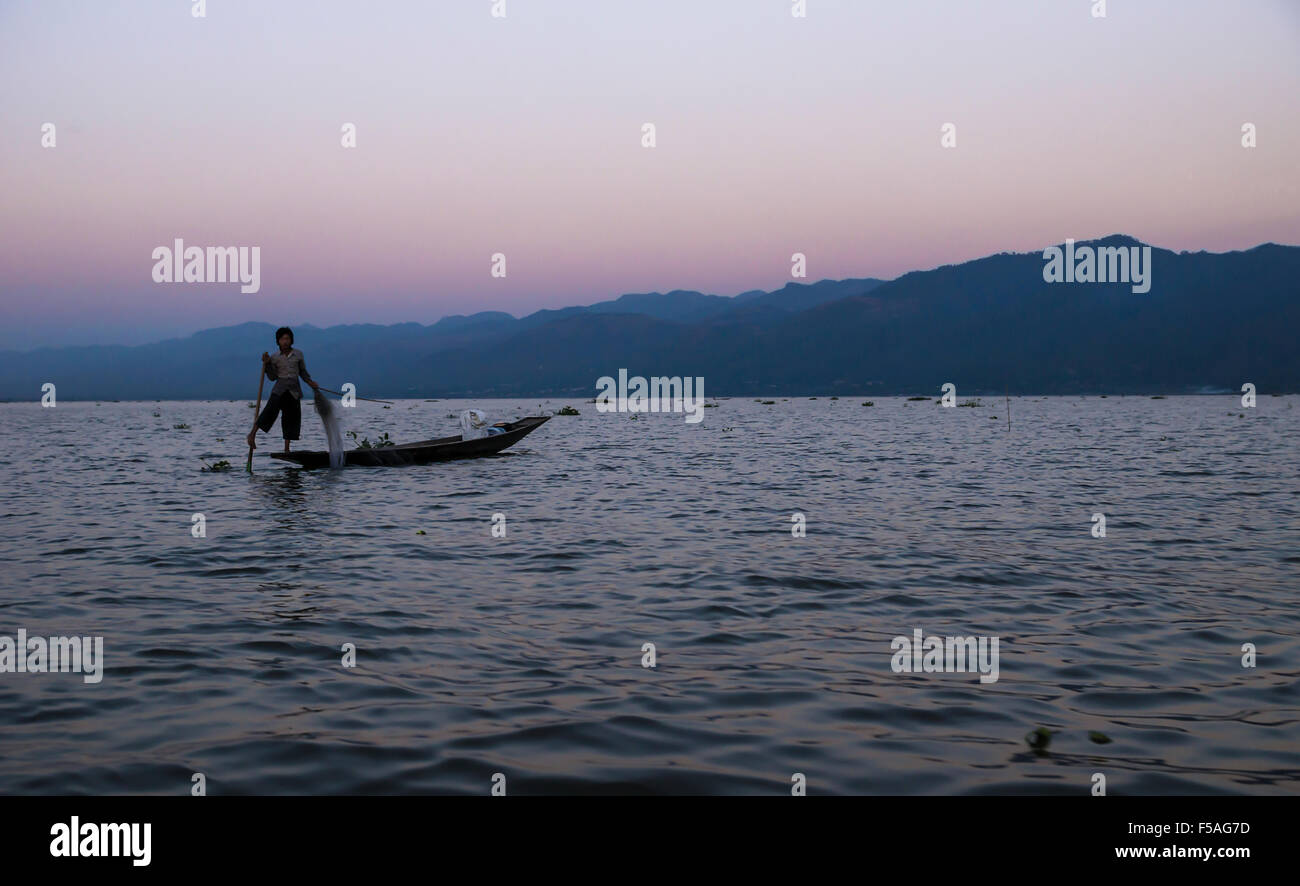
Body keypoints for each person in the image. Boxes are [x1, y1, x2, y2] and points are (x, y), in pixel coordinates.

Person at [246, 326, 320, 453]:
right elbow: (272, 377)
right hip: (279, 389)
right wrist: (267, 364)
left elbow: (302, 372)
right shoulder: (274, 357)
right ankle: (252, 435)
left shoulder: (298, 354)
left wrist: (310, 382)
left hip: (294, 390)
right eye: (282, 339)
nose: (285, 341)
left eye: (287, 338)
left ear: (291, 340)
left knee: (291, 418)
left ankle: (287, 448)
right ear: (278, 341)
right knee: (269, 412)